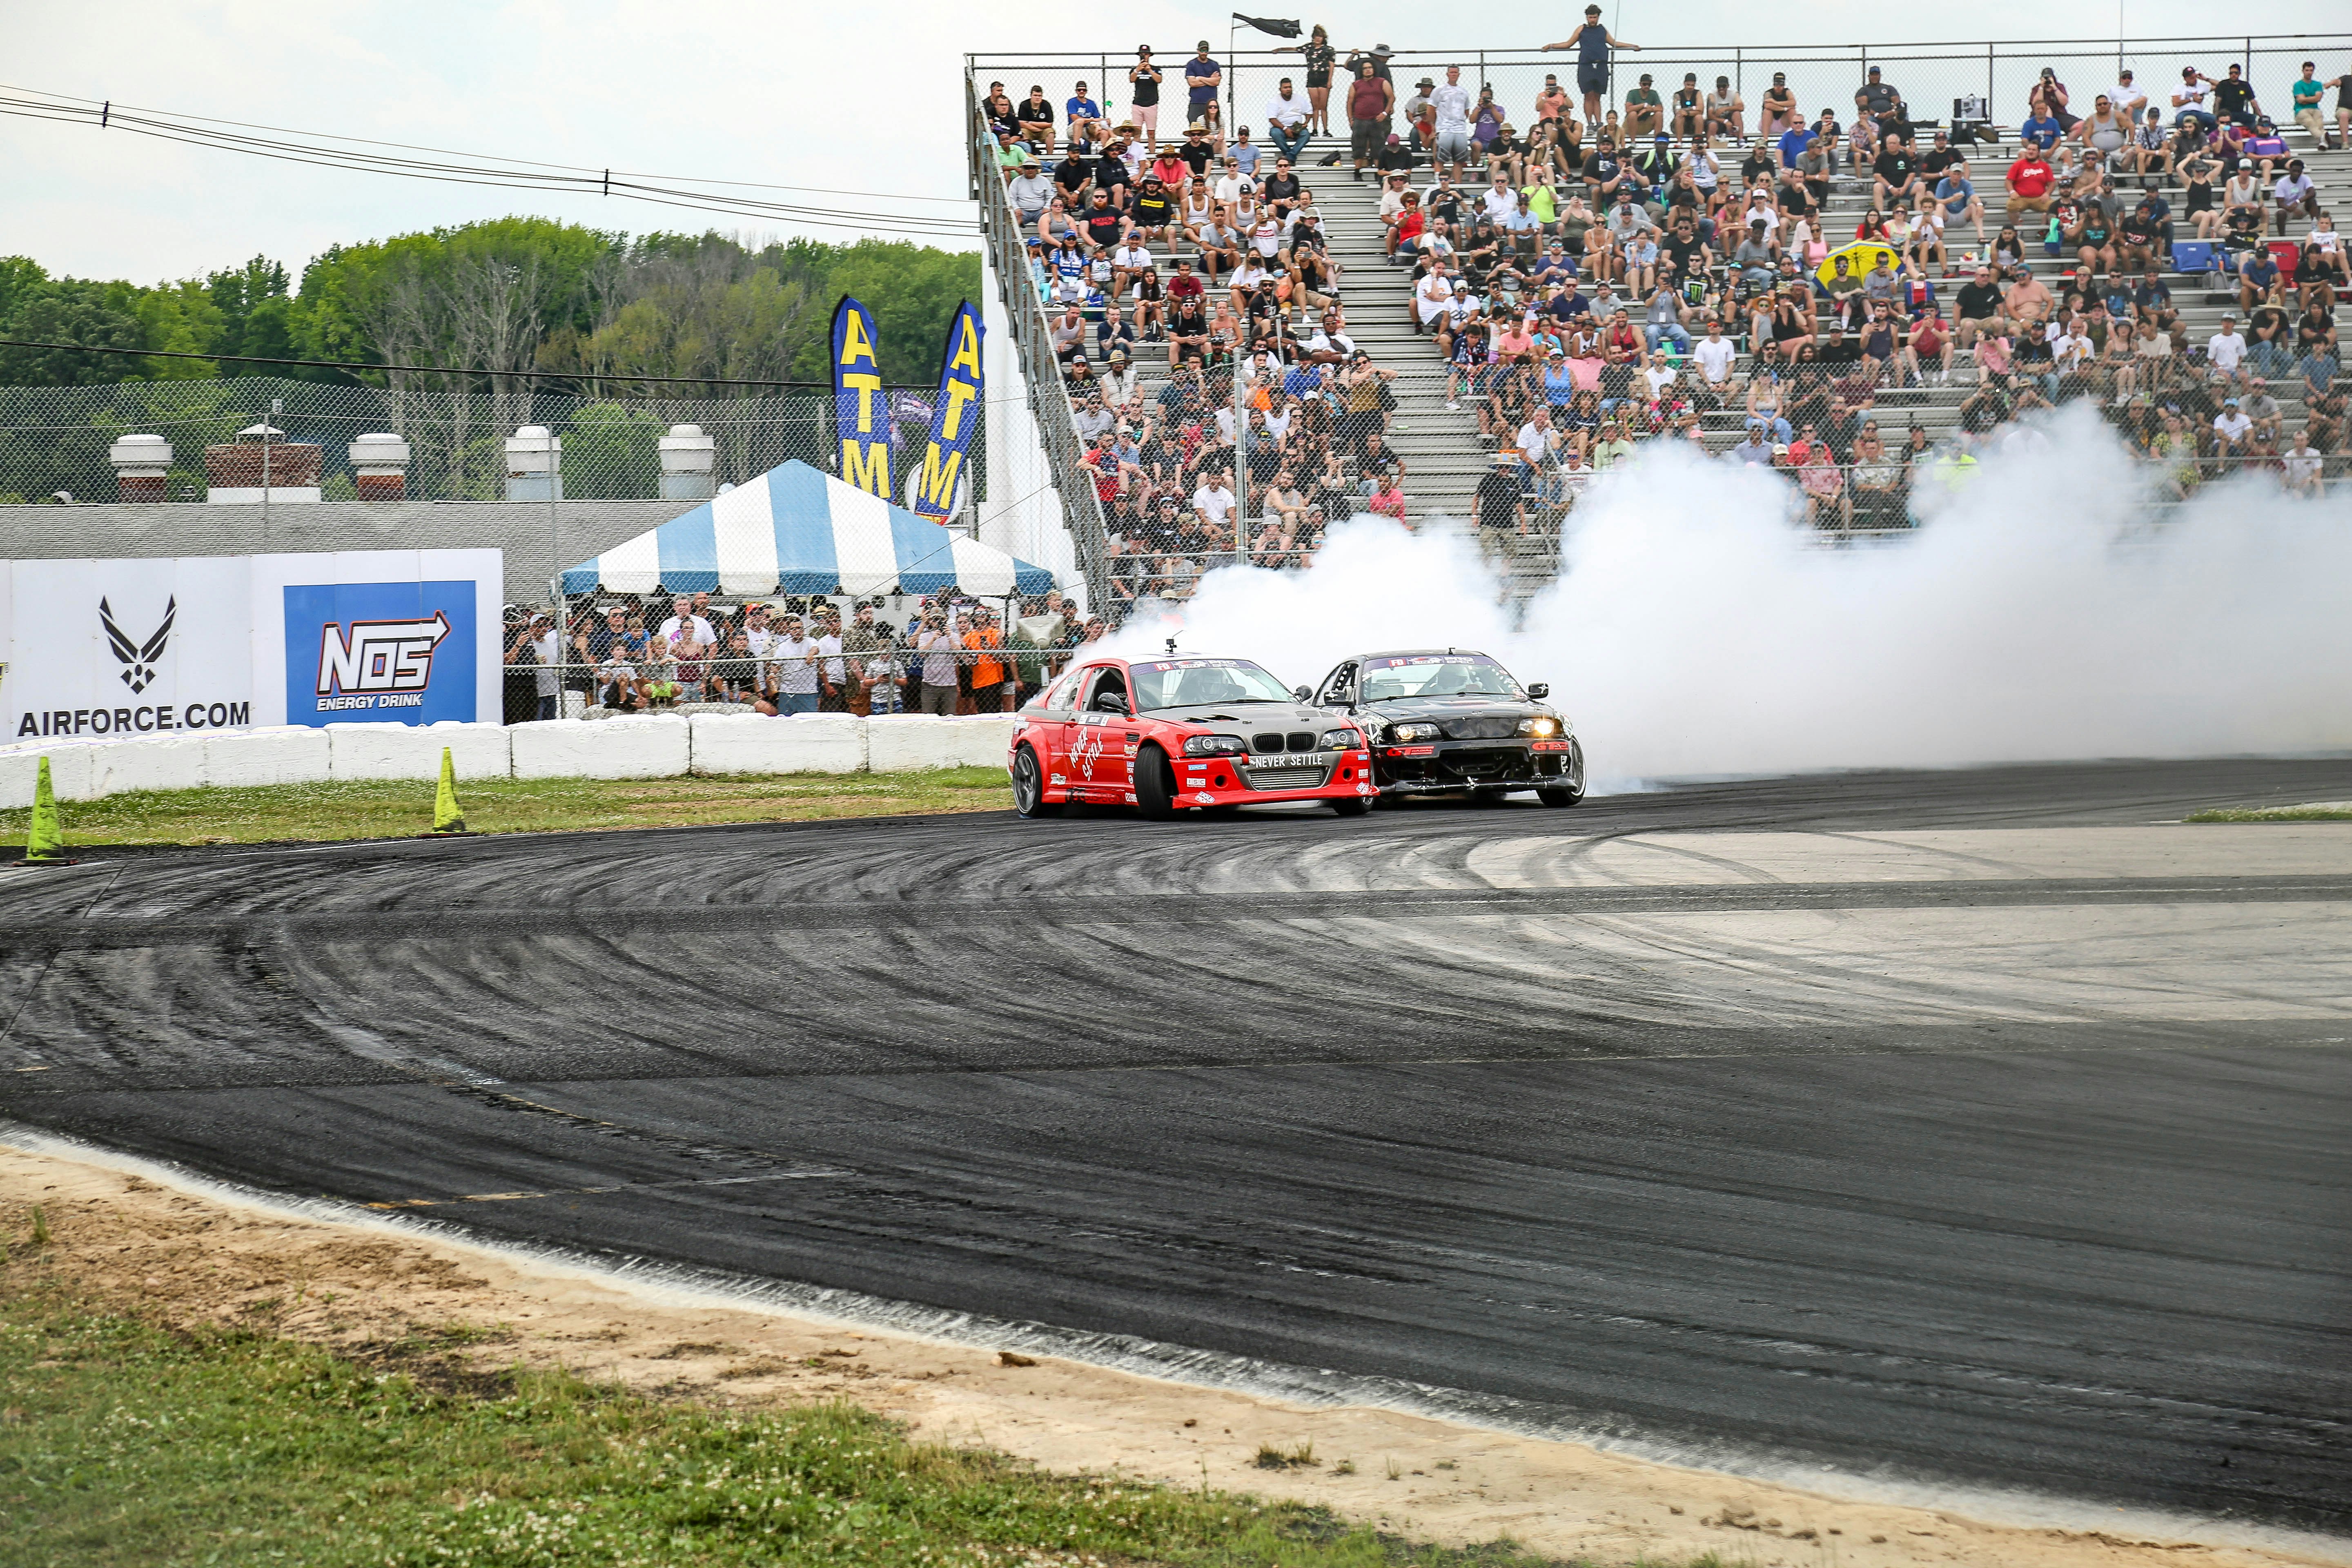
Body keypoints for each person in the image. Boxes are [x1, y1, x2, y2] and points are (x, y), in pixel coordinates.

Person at [1542, 4, 1640, 124]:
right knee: (1588, 96)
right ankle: (1590, 123)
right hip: (1586, 66)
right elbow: (1568, 44)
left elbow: (1613, 43)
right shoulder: (1581, 29)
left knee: (1597, 97)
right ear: (1587, 17)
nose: (1592, 20)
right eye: (1590, 17)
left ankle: (1599, 122)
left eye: (1594, 17)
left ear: (1598, 17)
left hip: (1601, 66)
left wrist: (1631, 46)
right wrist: (1551, 46)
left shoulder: (1602, 30)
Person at [1345, 58, 1394, 182]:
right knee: (1358, 146)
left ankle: (1378, 173)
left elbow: (1391, 97)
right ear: (1362, 71)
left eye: (1370, 68)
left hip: (1377, 120)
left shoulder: (1382, 82)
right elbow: (1350, 102)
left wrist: (1385, 113)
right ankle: (1358, 172)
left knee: (1378, 147)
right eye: (1365, 68)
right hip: (1360, 120)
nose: (1368, 70)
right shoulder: (1356, 85)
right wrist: (1351, 119)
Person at [1266, 78, 1312, 163]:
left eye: (1290, 87)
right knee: (1275, 133)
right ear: (1280, 89)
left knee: (1306, 135)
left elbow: (1309, 112)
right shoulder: (1274, 101)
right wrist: (1285, 129)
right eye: (1285, 88)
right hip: (1280, 128)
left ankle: (1289, 156)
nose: (1288, 90)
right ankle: (1290, 157)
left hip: (1297, 127)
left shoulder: (1299, 99)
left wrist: (1306, 123)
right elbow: (1272, 119)